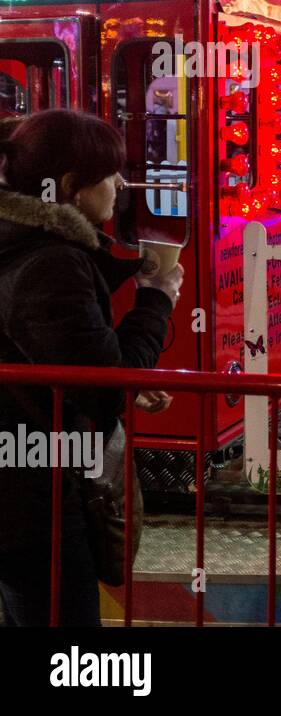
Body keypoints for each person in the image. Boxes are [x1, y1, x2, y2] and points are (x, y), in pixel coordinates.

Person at [0, 109, 183, 626]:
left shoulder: (21, 240)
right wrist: (157, 299)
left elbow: (58, 356)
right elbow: (106, 385)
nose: (121, 183)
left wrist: (112, 367)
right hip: (32, 495)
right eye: (110, 173)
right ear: (70, 188)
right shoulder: (49, 263)